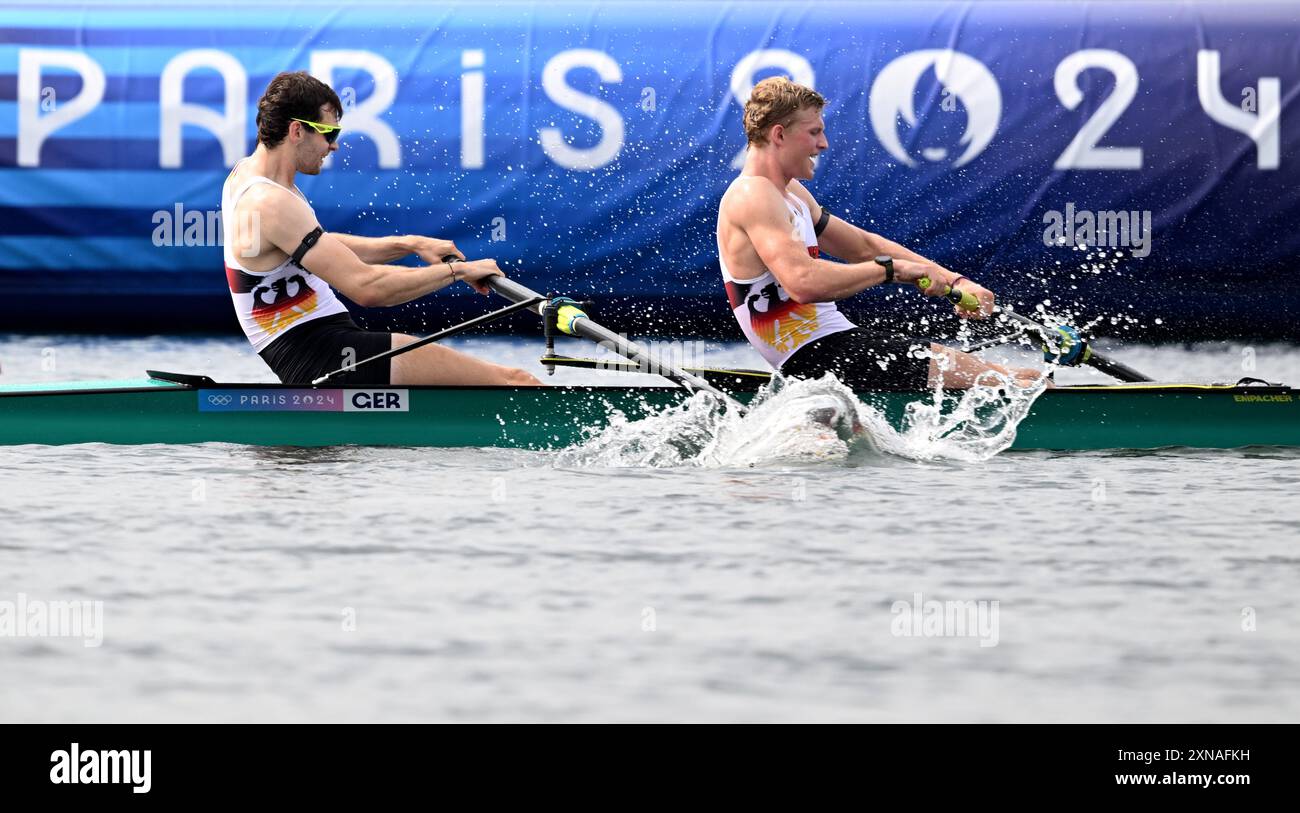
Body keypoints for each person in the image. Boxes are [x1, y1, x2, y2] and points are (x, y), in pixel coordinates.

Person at [716, 76, 1042, 390]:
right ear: (779, 135)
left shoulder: (793, 194)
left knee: (1013, 375)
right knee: (1006, 383)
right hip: (817, 358)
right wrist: (892, 270)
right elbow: (803, 282)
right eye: (814, 132)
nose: (823, 144)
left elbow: (862, 246)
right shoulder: (753, 195)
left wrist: (955, 280)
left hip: (838, 347)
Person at [221, 71, 540, 387]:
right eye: (328, 134)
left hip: (326, 349)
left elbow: (317, 244)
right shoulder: (270, 201)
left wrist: (411, 245)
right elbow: (368, 288)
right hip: (326, 357)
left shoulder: (247, 175)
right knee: (517, 381)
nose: (334, 147)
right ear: (296, 131)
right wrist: (461, 272)